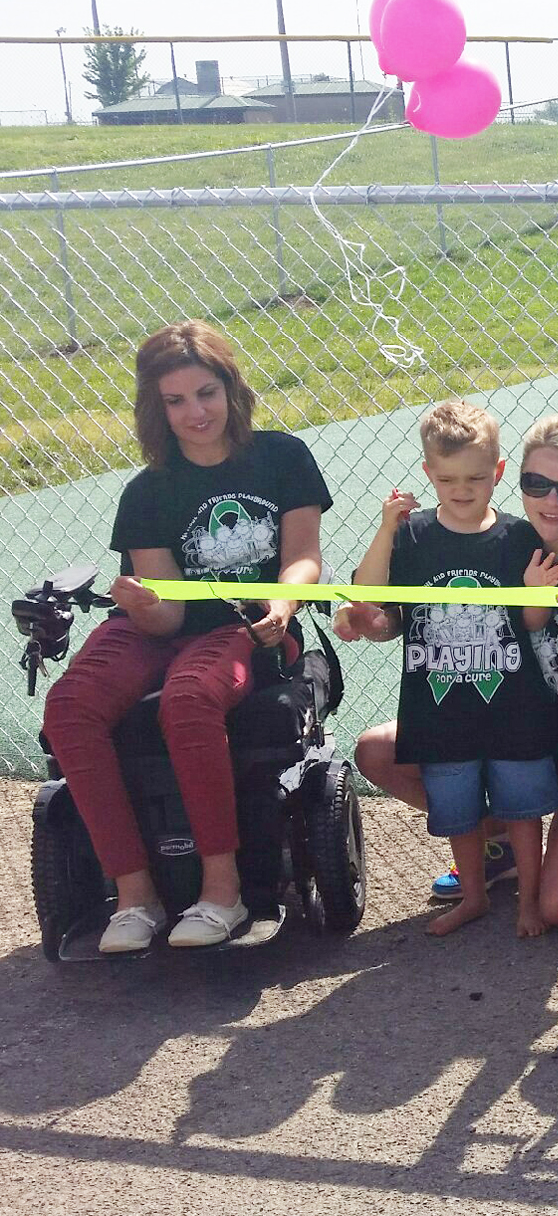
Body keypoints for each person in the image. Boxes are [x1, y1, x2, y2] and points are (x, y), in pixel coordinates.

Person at [45, 321, 330, 953]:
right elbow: (167, 620)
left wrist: (281, 606)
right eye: (175, 401)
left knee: (189, 698)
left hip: (244, 622)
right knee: (68, 707)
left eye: (206, 393)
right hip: (156, 629)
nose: (195, 413)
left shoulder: (282, 458)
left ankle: (222, 893)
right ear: (157, 408)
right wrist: (142, 604)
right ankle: (135, 895)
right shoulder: (147, 492)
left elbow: (305, 557)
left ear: (231, 388)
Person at [340, 414, 558, 929]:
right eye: (538, 484)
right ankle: (497, 841)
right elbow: (404, 614)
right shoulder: (504, 539)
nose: (553, 502)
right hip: (508, 730)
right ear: (515, 480)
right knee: (376, 749)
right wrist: (373, 620)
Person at [336, 400, 558, 938]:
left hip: (511, 706)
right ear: (428, 474)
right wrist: (388, 527)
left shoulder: (517, 537)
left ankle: (531, 899)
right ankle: (476, 896)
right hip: (436, 709)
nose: (463, 489)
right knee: (457, 810)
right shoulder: (411, 536)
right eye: (449, 478)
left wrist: (537, 595)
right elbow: (366, 598)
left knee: (522, 811)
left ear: (499, 473)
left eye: (477, 478)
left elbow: (529, 625)